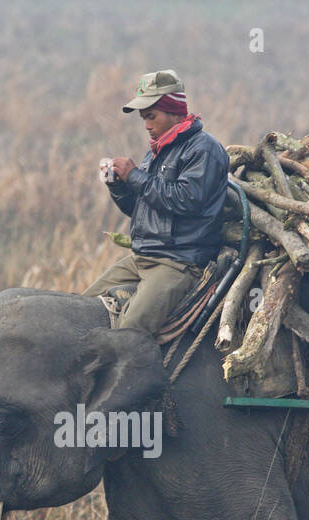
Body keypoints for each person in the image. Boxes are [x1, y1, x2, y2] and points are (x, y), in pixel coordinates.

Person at [83, 69, 230, 336]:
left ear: (174, 112)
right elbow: (140, 208)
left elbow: (187, 200)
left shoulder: (204, 149)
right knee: (81, 306)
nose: (147, 125)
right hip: (141, 258)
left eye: (152, 116)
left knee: (129, 333)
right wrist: (118, 185)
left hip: (178, 263)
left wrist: (135, 176)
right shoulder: (157, 150)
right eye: (144, 118)